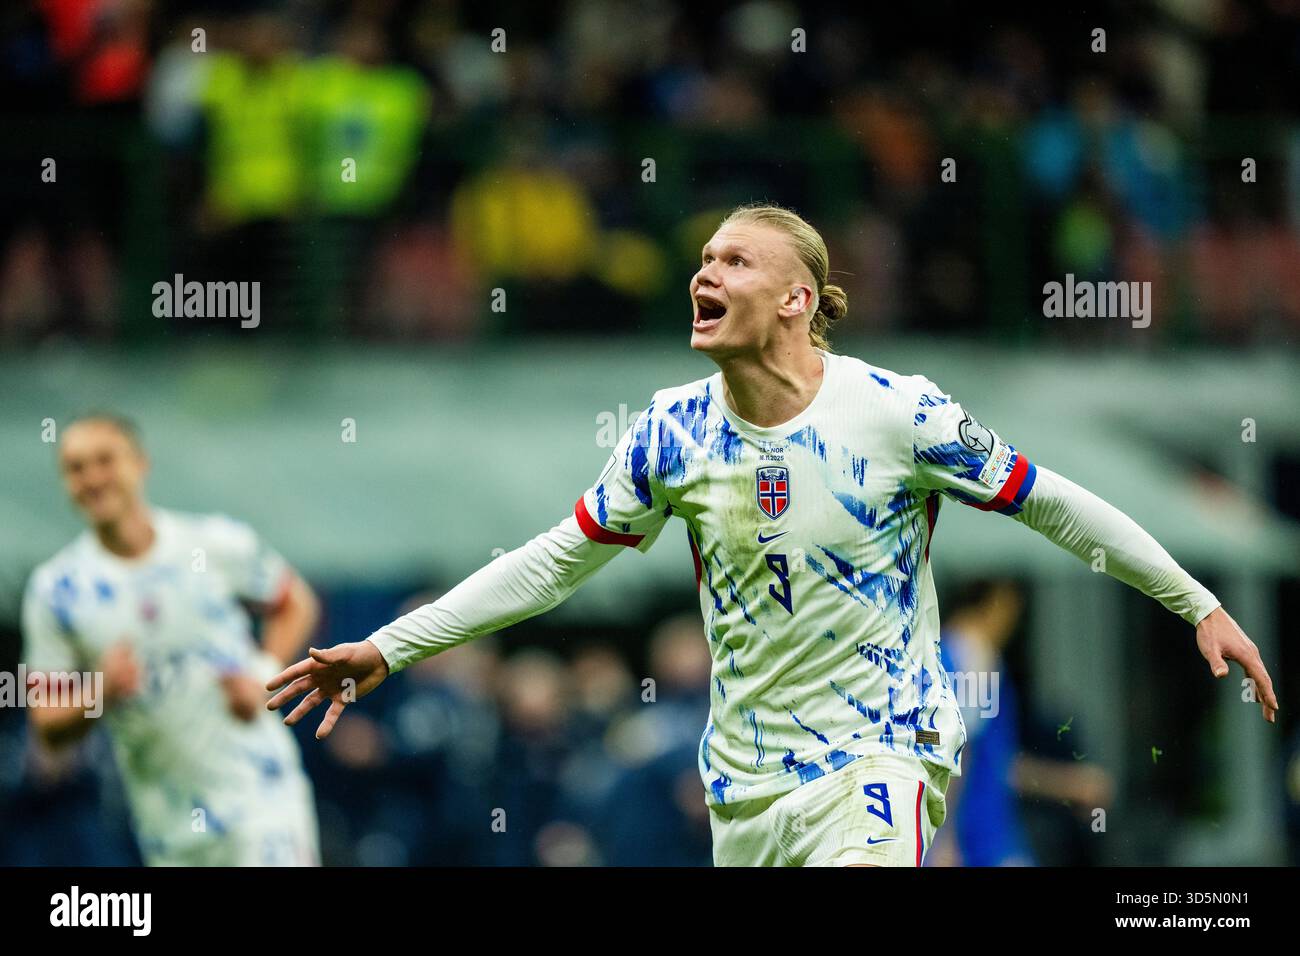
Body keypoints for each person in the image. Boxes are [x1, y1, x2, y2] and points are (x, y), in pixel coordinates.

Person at [266, 202, 1278, 867]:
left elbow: (1053, 500)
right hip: (745, 782)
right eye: (704, 257)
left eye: (735, 259)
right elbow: (550, 563)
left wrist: (1197, 601)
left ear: (797, 298)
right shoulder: (671, 430)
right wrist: (389, 647)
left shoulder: (898, 412)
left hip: (881, 752)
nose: (706, 271)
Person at [23, 413, 322, 865]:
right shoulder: (58, 590)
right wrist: (99, 692)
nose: (92, 478)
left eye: (105, 460)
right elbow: (46, 723)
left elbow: (295, 602)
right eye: (76, 468)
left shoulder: (213, 543)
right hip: (168, 826)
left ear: (139, 464)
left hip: (262, 799)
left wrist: (263, 674)